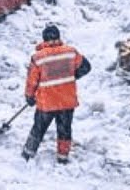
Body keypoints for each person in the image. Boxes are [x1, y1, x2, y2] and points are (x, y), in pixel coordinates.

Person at [22, 24, 91, 164]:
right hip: (66, 101)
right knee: (64, 129)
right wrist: (73, 76)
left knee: (38, 128)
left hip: (46, 103)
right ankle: (62, 157)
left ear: (44, 39)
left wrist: (29, 96)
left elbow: (32, 81)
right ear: (59, 37)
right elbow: (86, 67)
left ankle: (28, 153)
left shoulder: (38, 58)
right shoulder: (71, 52)